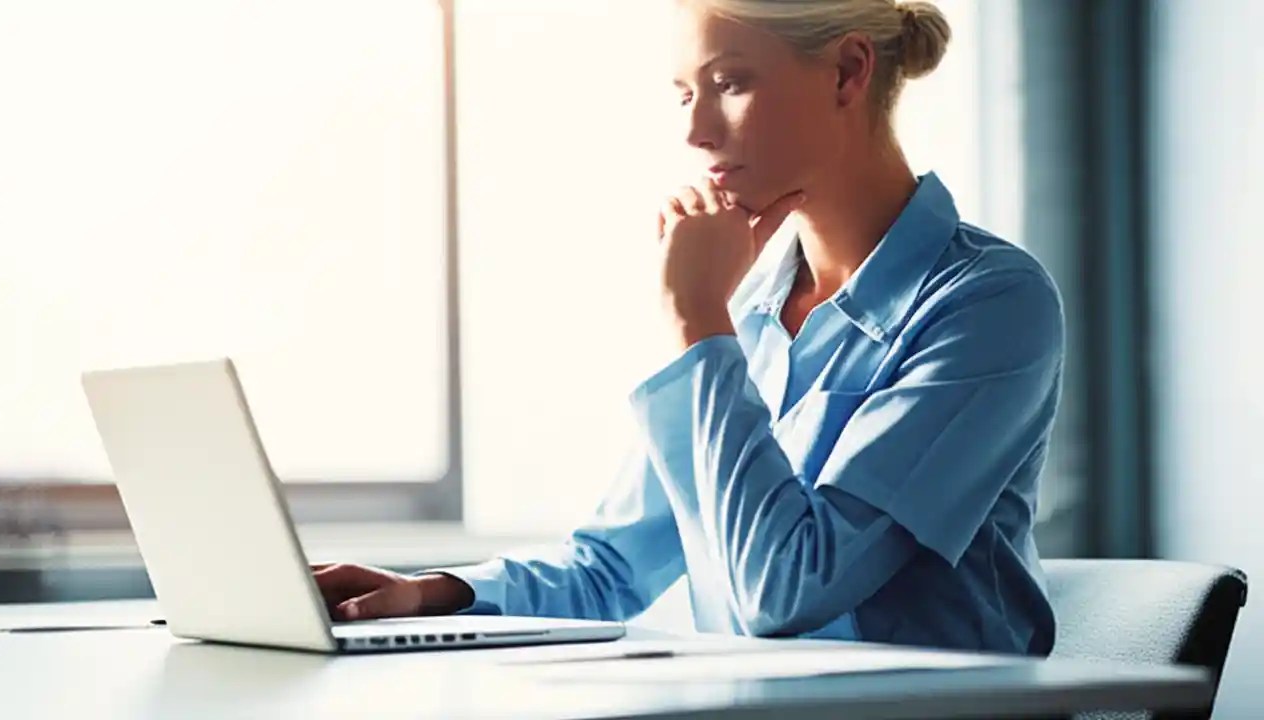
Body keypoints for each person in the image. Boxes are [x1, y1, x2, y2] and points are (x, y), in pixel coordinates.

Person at [312, 0, 1063, 655]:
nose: (696, 132)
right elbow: (613, 566)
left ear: (846, 72)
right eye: (683, 95)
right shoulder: (745, 309)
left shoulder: (989, 303)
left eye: (730, 83)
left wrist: (699, 322)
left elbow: (787, 589)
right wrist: (428, 595)